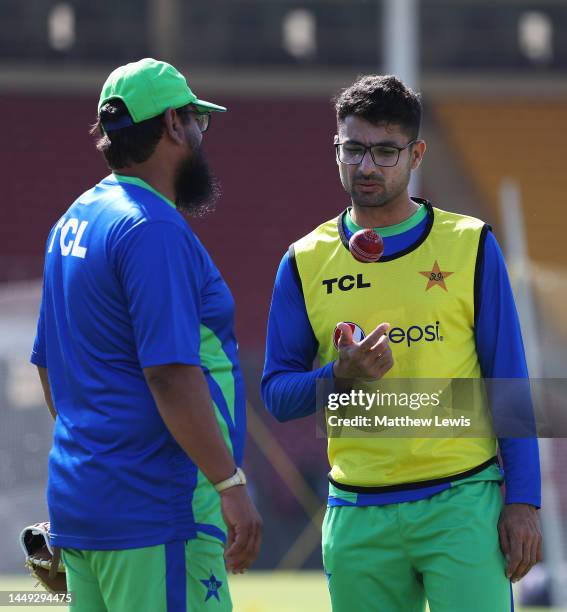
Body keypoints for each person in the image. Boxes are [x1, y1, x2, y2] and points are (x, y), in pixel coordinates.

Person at [261, 75, 542, 611]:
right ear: (336, 150)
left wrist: (523, 501)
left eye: (385, 151)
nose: (367, 166)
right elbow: (276, 393)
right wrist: (339, 376)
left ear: (416, 154)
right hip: (357, 514)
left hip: (463, 504)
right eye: (354, 149)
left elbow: (509, 380)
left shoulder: (470, 244)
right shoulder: (303, 260)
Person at [31, 58, 262, 612]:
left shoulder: (74, 219)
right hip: (157, 511)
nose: (203, 135)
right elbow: (169, 374)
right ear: (172, 126)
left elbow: (47, 367)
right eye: (197, 120)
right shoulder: (151, 227)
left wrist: (99, 458)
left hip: (82, 505)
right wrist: (228, 484)